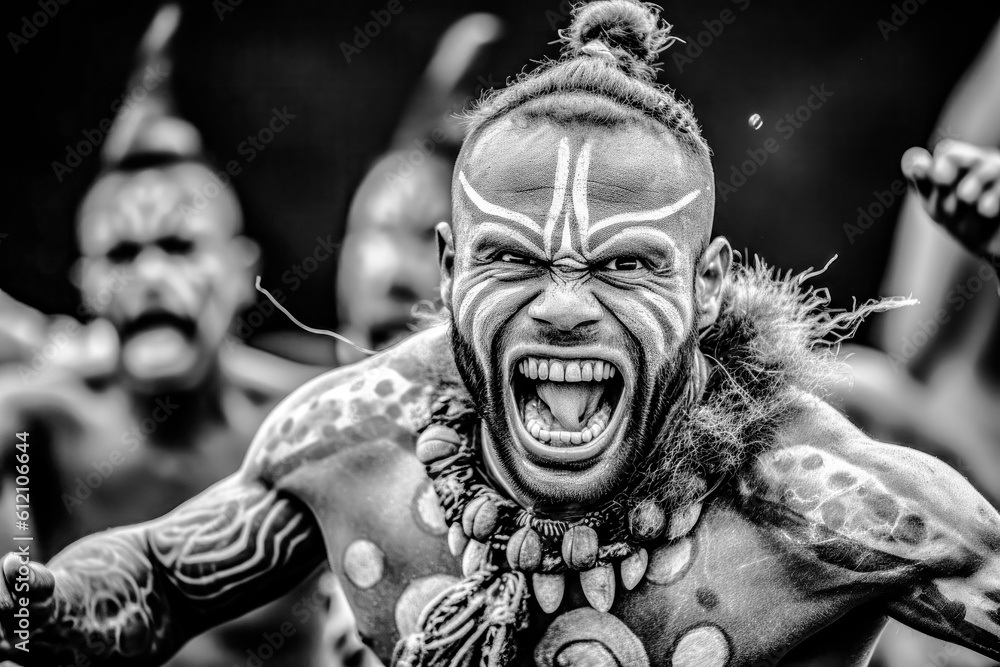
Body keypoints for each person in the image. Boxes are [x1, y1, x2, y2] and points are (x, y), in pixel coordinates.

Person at [6, 2, 1000, 665]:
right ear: (451, 272)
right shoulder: (360, 442)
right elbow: (163, 574)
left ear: (705, 290)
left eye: (623, 263)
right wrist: (46, 604)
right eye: (513, 260)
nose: (562, 305)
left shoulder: (816, 500)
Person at [0, 6, 349, 666]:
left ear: (243, 269)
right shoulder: (33, 422)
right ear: (87, 283)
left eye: (180, 245)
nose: (153, 275)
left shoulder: (315, 415)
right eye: (124, 253)